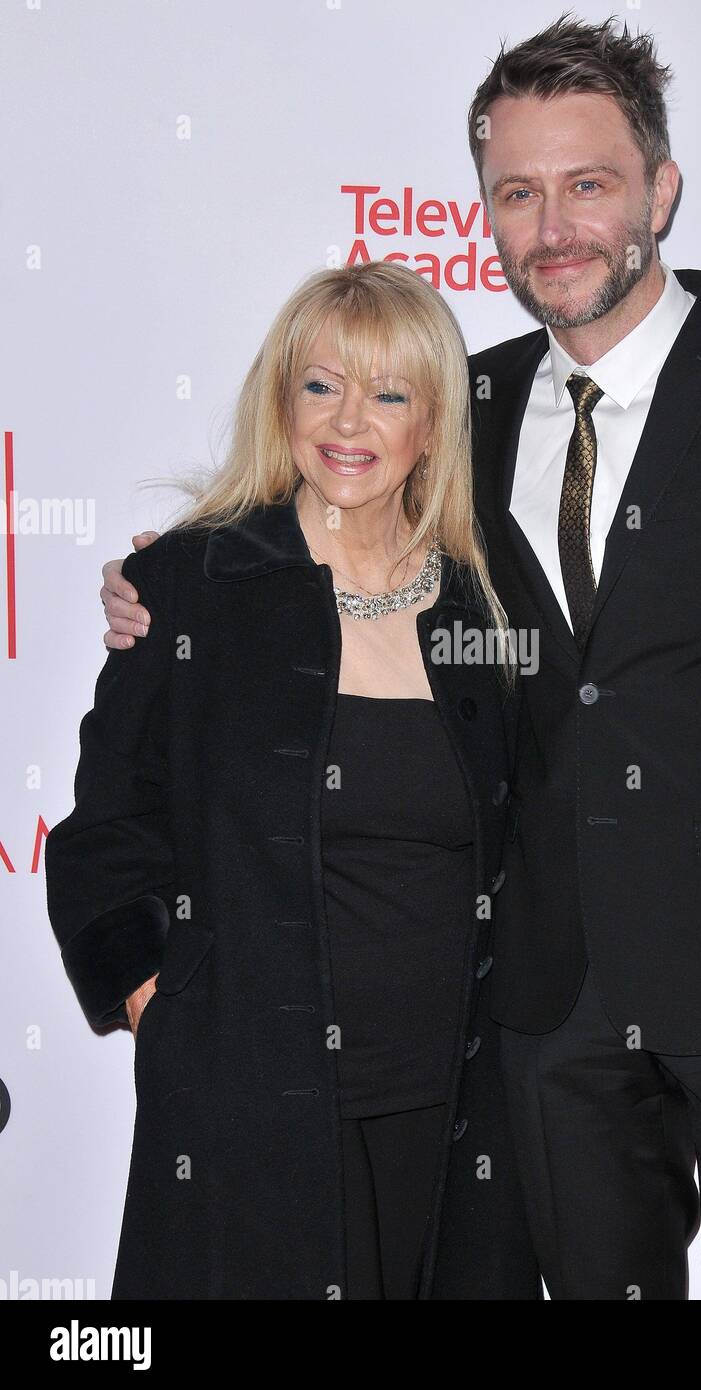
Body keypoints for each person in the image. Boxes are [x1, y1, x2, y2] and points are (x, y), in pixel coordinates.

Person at [100, 16, 701, 1299]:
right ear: (486, 211)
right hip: (541, 1012)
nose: (554, 225)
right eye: (518, 193)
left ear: (660, 188)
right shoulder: (456, 407)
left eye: (589, 184)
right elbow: (317, 519)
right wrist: (172, 582)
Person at [46, 259, 540, 1300]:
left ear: (433, 419)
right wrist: (161, 1011)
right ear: (283, 398)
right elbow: (103, 836)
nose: (348, 419)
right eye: (321, 384)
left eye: (388, 392)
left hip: (451, 1110)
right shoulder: (190, 582)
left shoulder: (487, 605)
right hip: (248, 1107)